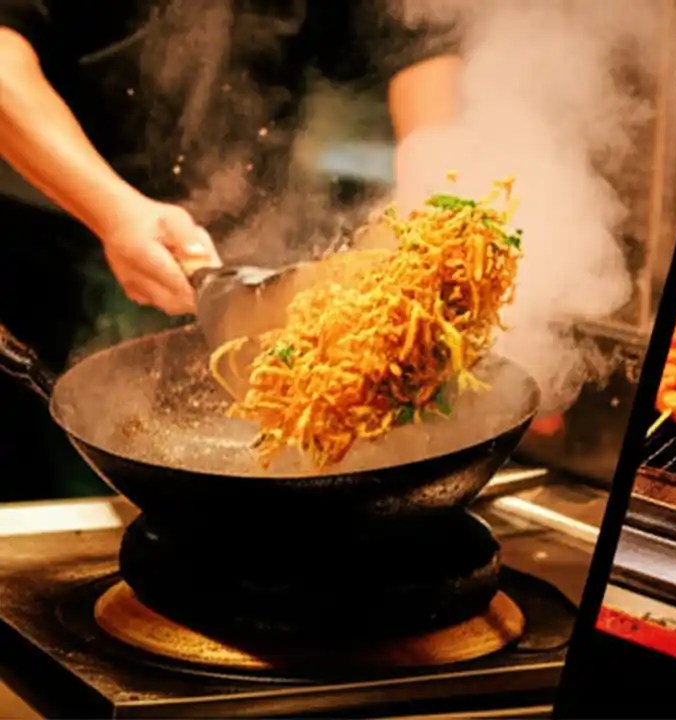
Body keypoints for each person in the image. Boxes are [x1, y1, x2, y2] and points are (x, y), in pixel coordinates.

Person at [0, 1, 462, 498]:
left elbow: (420, 37)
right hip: (66, 243)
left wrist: (433, 192)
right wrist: (112, 211)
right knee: (78, 482)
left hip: (259, 240)